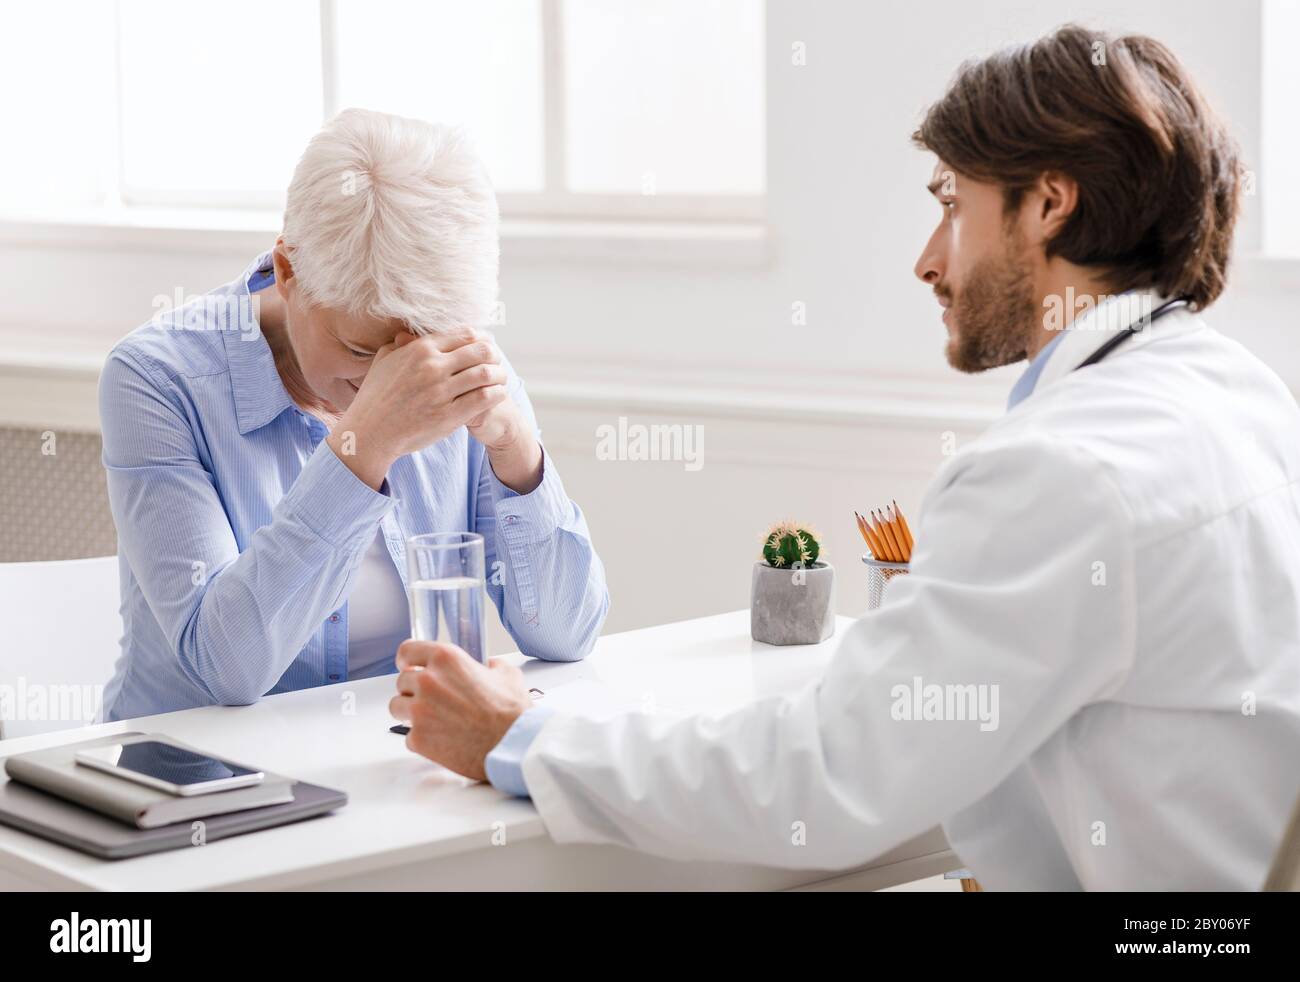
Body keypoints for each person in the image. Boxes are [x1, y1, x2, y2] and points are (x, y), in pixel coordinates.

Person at [389, 26, 1300, 890]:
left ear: (1049, 205)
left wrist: (521, 736)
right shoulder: (1241, 393)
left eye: (953, 205)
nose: (927, 261)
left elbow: (823, 784)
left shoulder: (1063, 472)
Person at [99, 109, 608, 720]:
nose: (400, 382)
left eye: (420, 347)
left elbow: (565, 634)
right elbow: (226, 667)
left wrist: (516, 453)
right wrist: (363, 444)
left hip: (396, 768)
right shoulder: (157, 379)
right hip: (201, 790)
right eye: (362, 350)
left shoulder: (454, 357)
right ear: (287, 273)